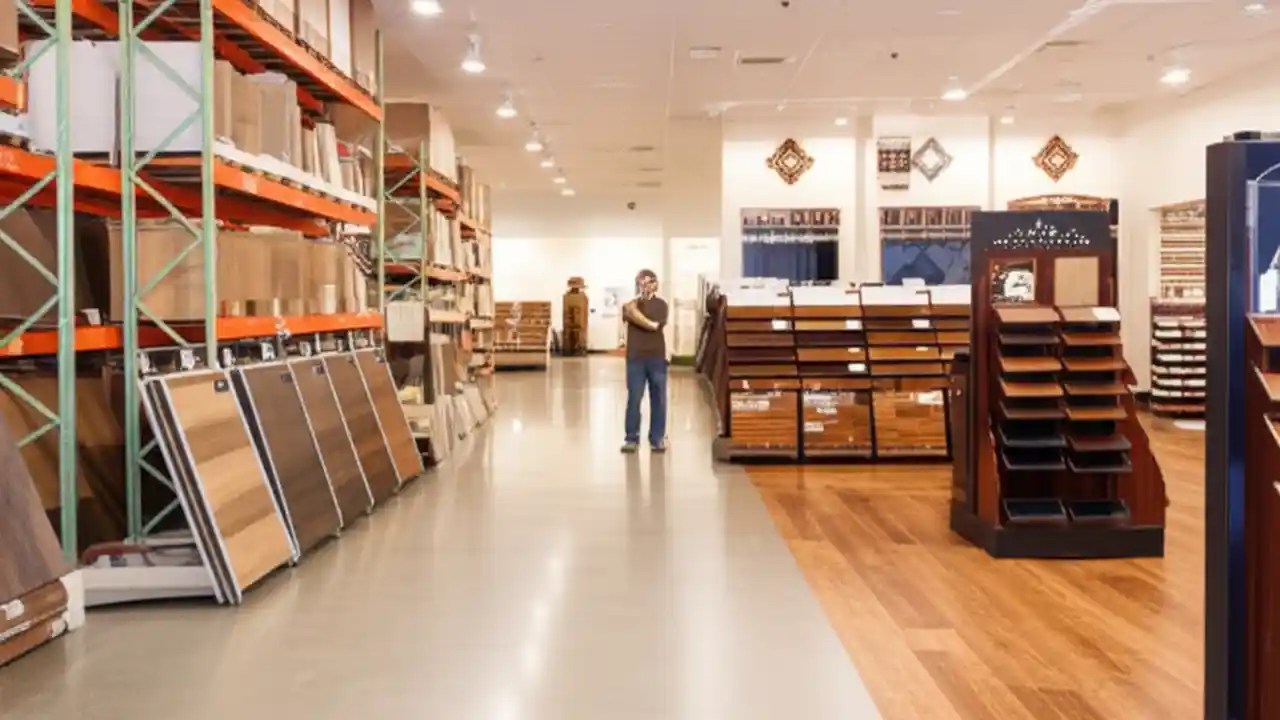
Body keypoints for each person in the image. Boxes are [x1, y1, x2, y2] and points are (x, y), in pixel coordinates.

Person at [621, 269, 669, 454]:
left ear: (655, 284)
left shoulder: (661, 305)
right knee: (634, 399)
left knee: (658, 399)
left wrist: (633, 312)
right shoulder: (630, 305)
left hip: (656, 358)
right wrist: (631, 310)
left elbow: (654, 326)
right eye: (642, 282)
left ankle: (657, 438)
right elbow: (627, 318)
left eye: (649, 282)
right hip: (635, 358)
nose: (645, 285)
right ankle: (631, 438)